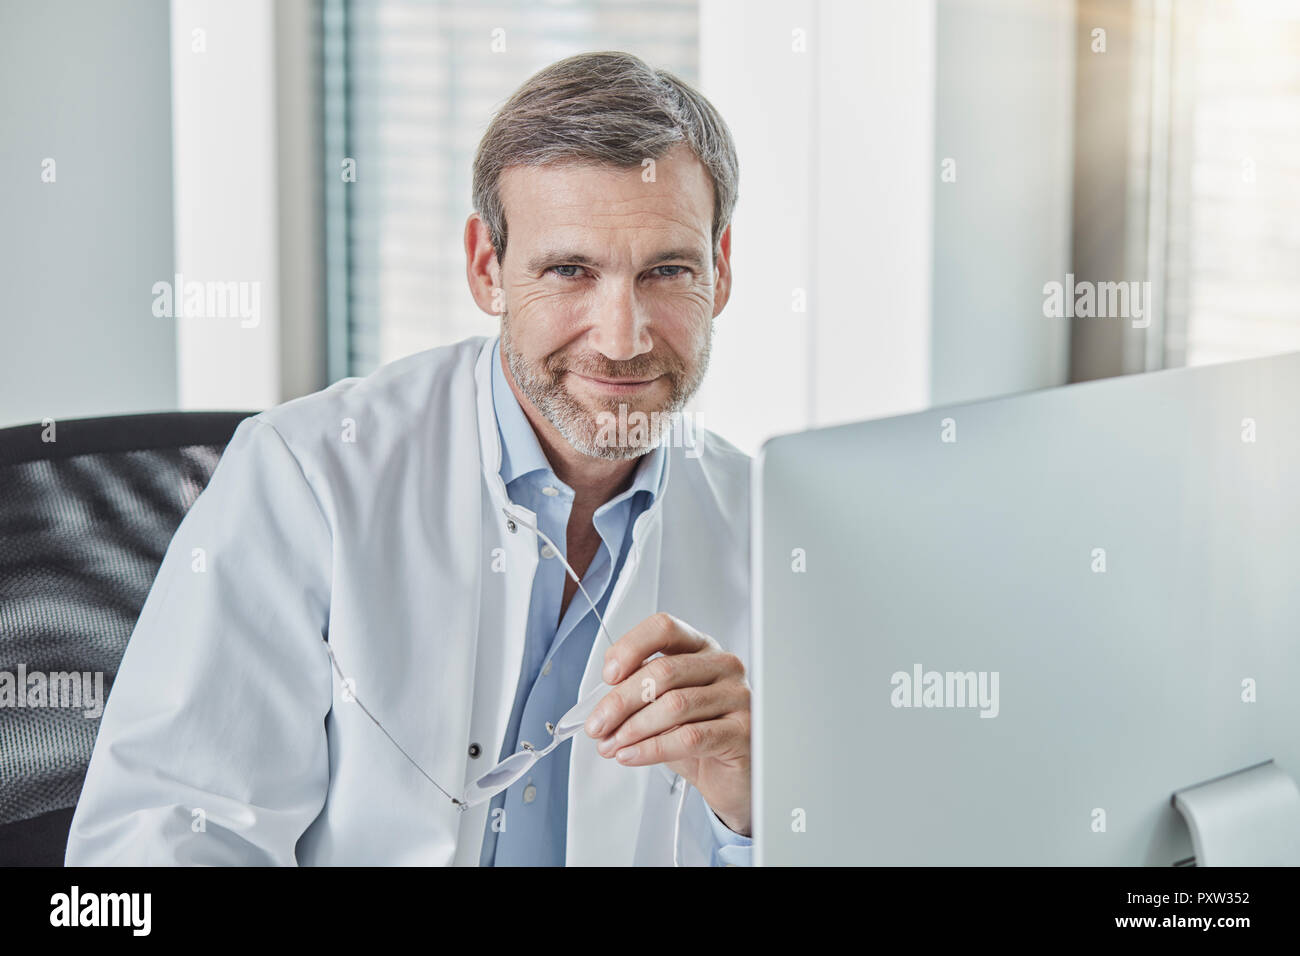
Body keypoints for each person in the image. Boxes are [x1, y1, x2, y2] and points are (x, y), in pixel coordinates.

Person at [65, 50, 752, 866]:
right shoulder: (308, 477)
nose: (622, 337)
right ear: (485, 266)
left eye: (667, 271)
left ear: (722, 269)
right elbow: (161, 842)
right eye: (569, 270)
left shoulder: (770, 528)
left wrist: (750, 805)